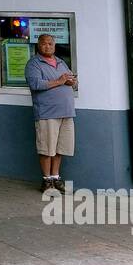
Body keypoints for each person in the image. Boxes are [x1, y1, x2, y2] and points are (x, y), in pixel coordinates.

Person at [24, 34, 77, 193]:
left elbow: (71, 80)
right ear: (38, 45)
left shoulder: (61, 62)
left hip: (66, 112)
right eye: (44, 44)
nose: (47, 46)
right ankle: (47, 180)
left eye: (50, 44)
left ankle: (56, 177)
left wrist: (72, 82)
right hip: (47, 112)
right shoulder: (34, 63)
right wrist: (60, 81)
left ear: (54, 46)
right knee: (47, 148)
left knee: (60, 148)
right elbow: (35, 84)